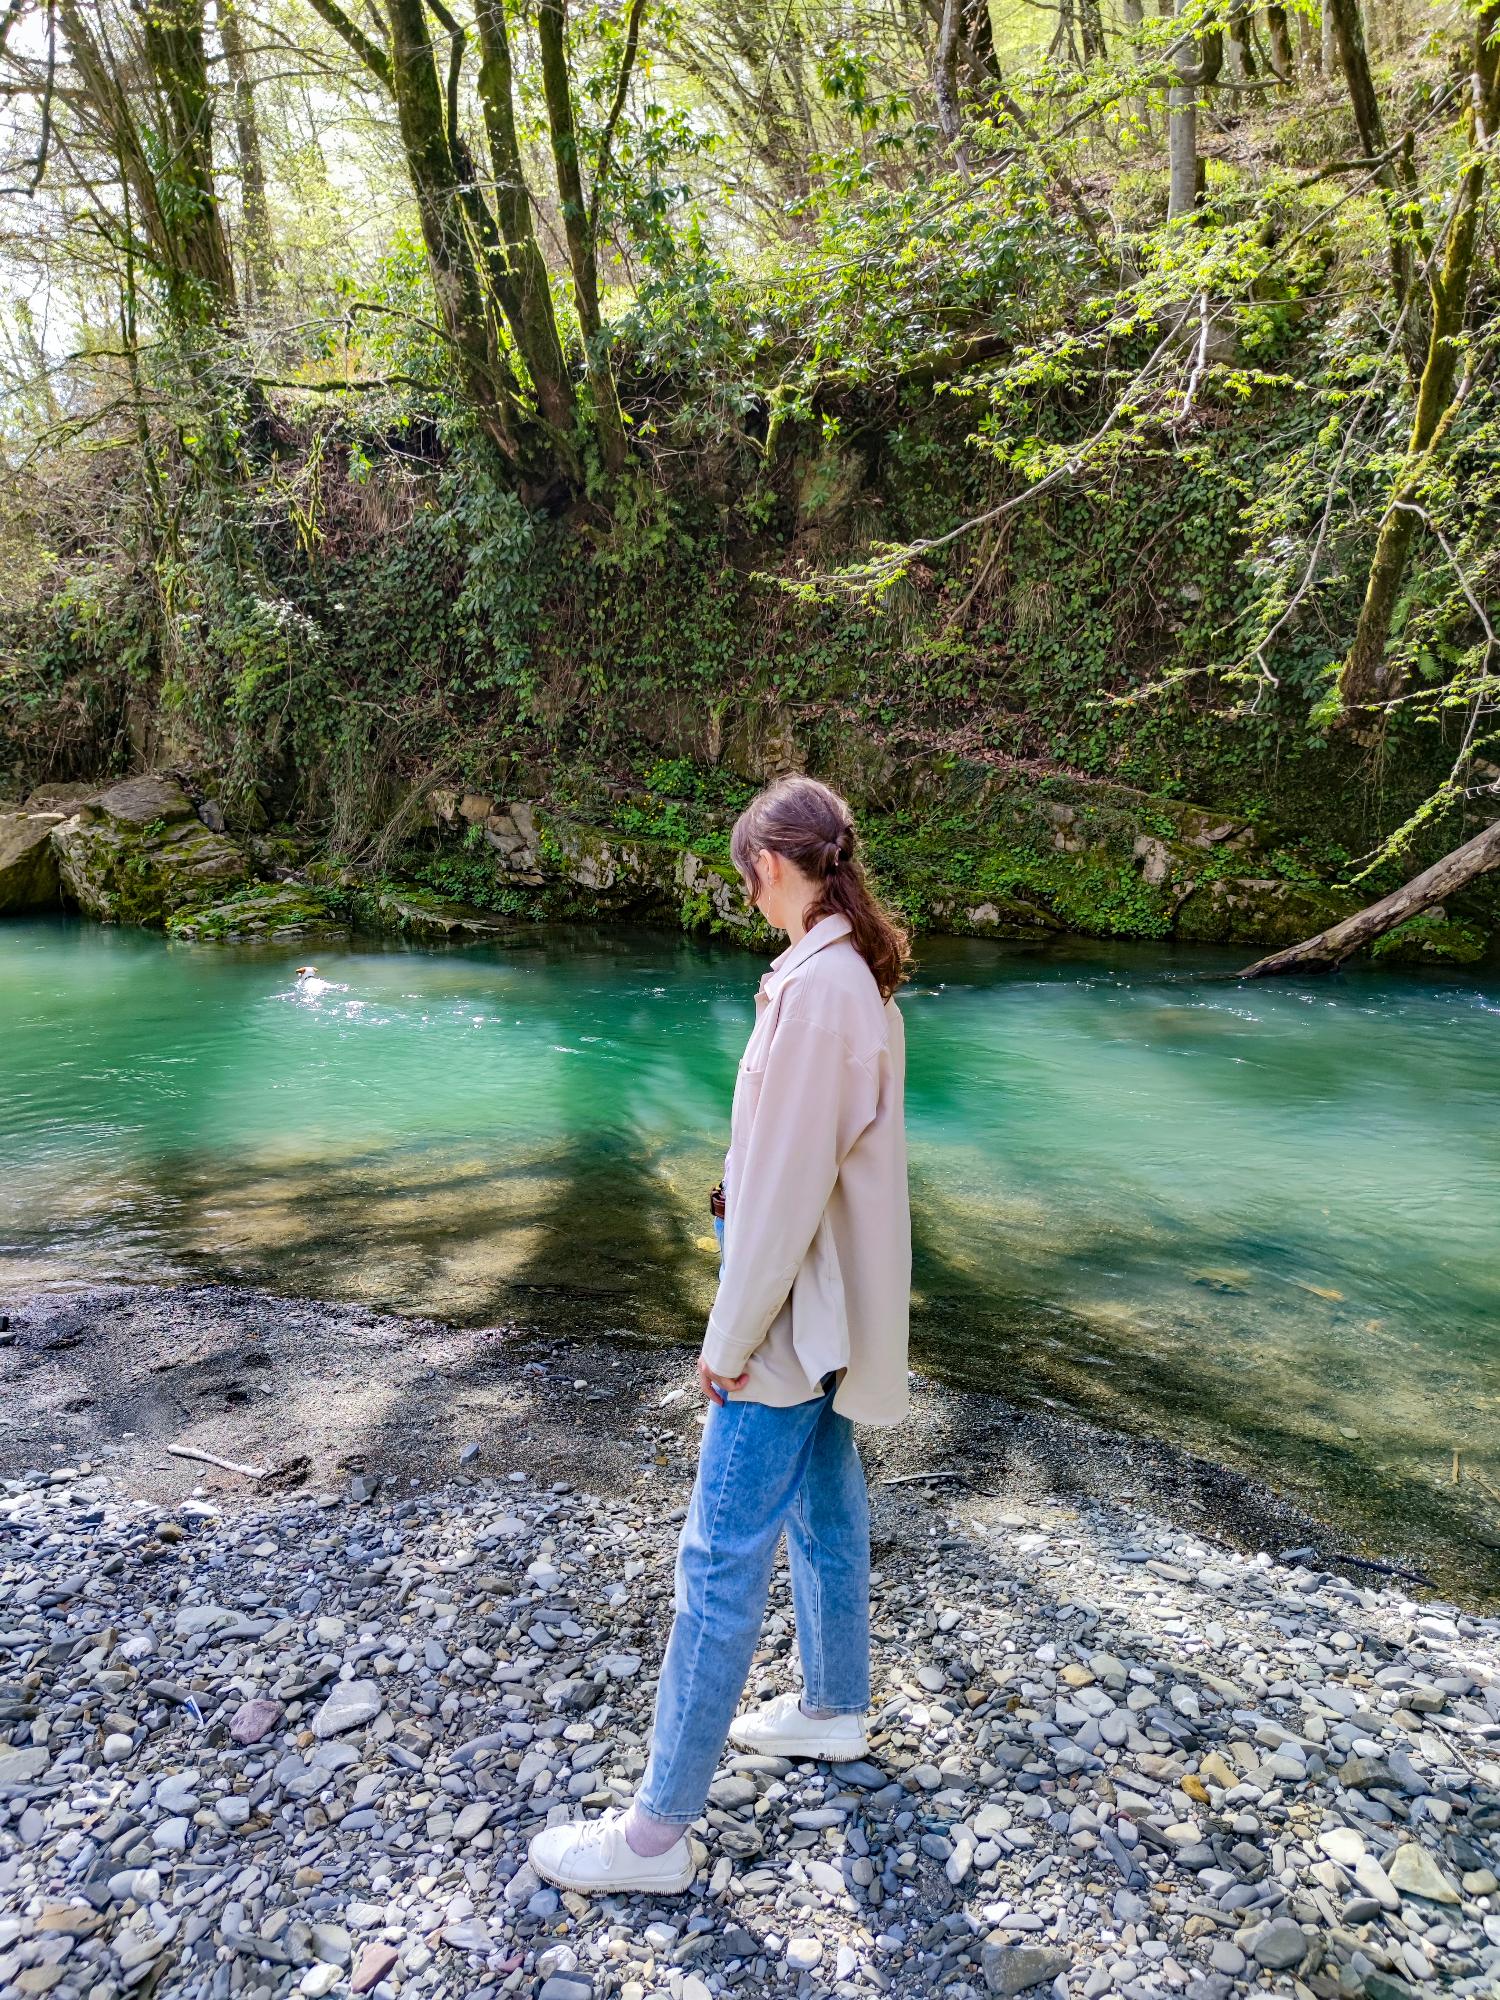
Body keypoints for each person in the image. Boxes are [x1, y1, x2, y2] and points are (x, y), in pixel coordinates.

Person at [529, 773, 913, 1894]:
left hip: (795, 1316)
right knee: (826, 1501)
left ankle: (655, 1833)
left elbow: (789, 1189)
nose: (746, 890)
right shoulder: (851, 975)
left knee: (717, 1555)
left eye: (749, 870)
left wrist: (729, 1335)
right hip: (835, 1304)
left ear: (776, 867)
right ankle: (836, 1705)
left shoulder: (820, 989)